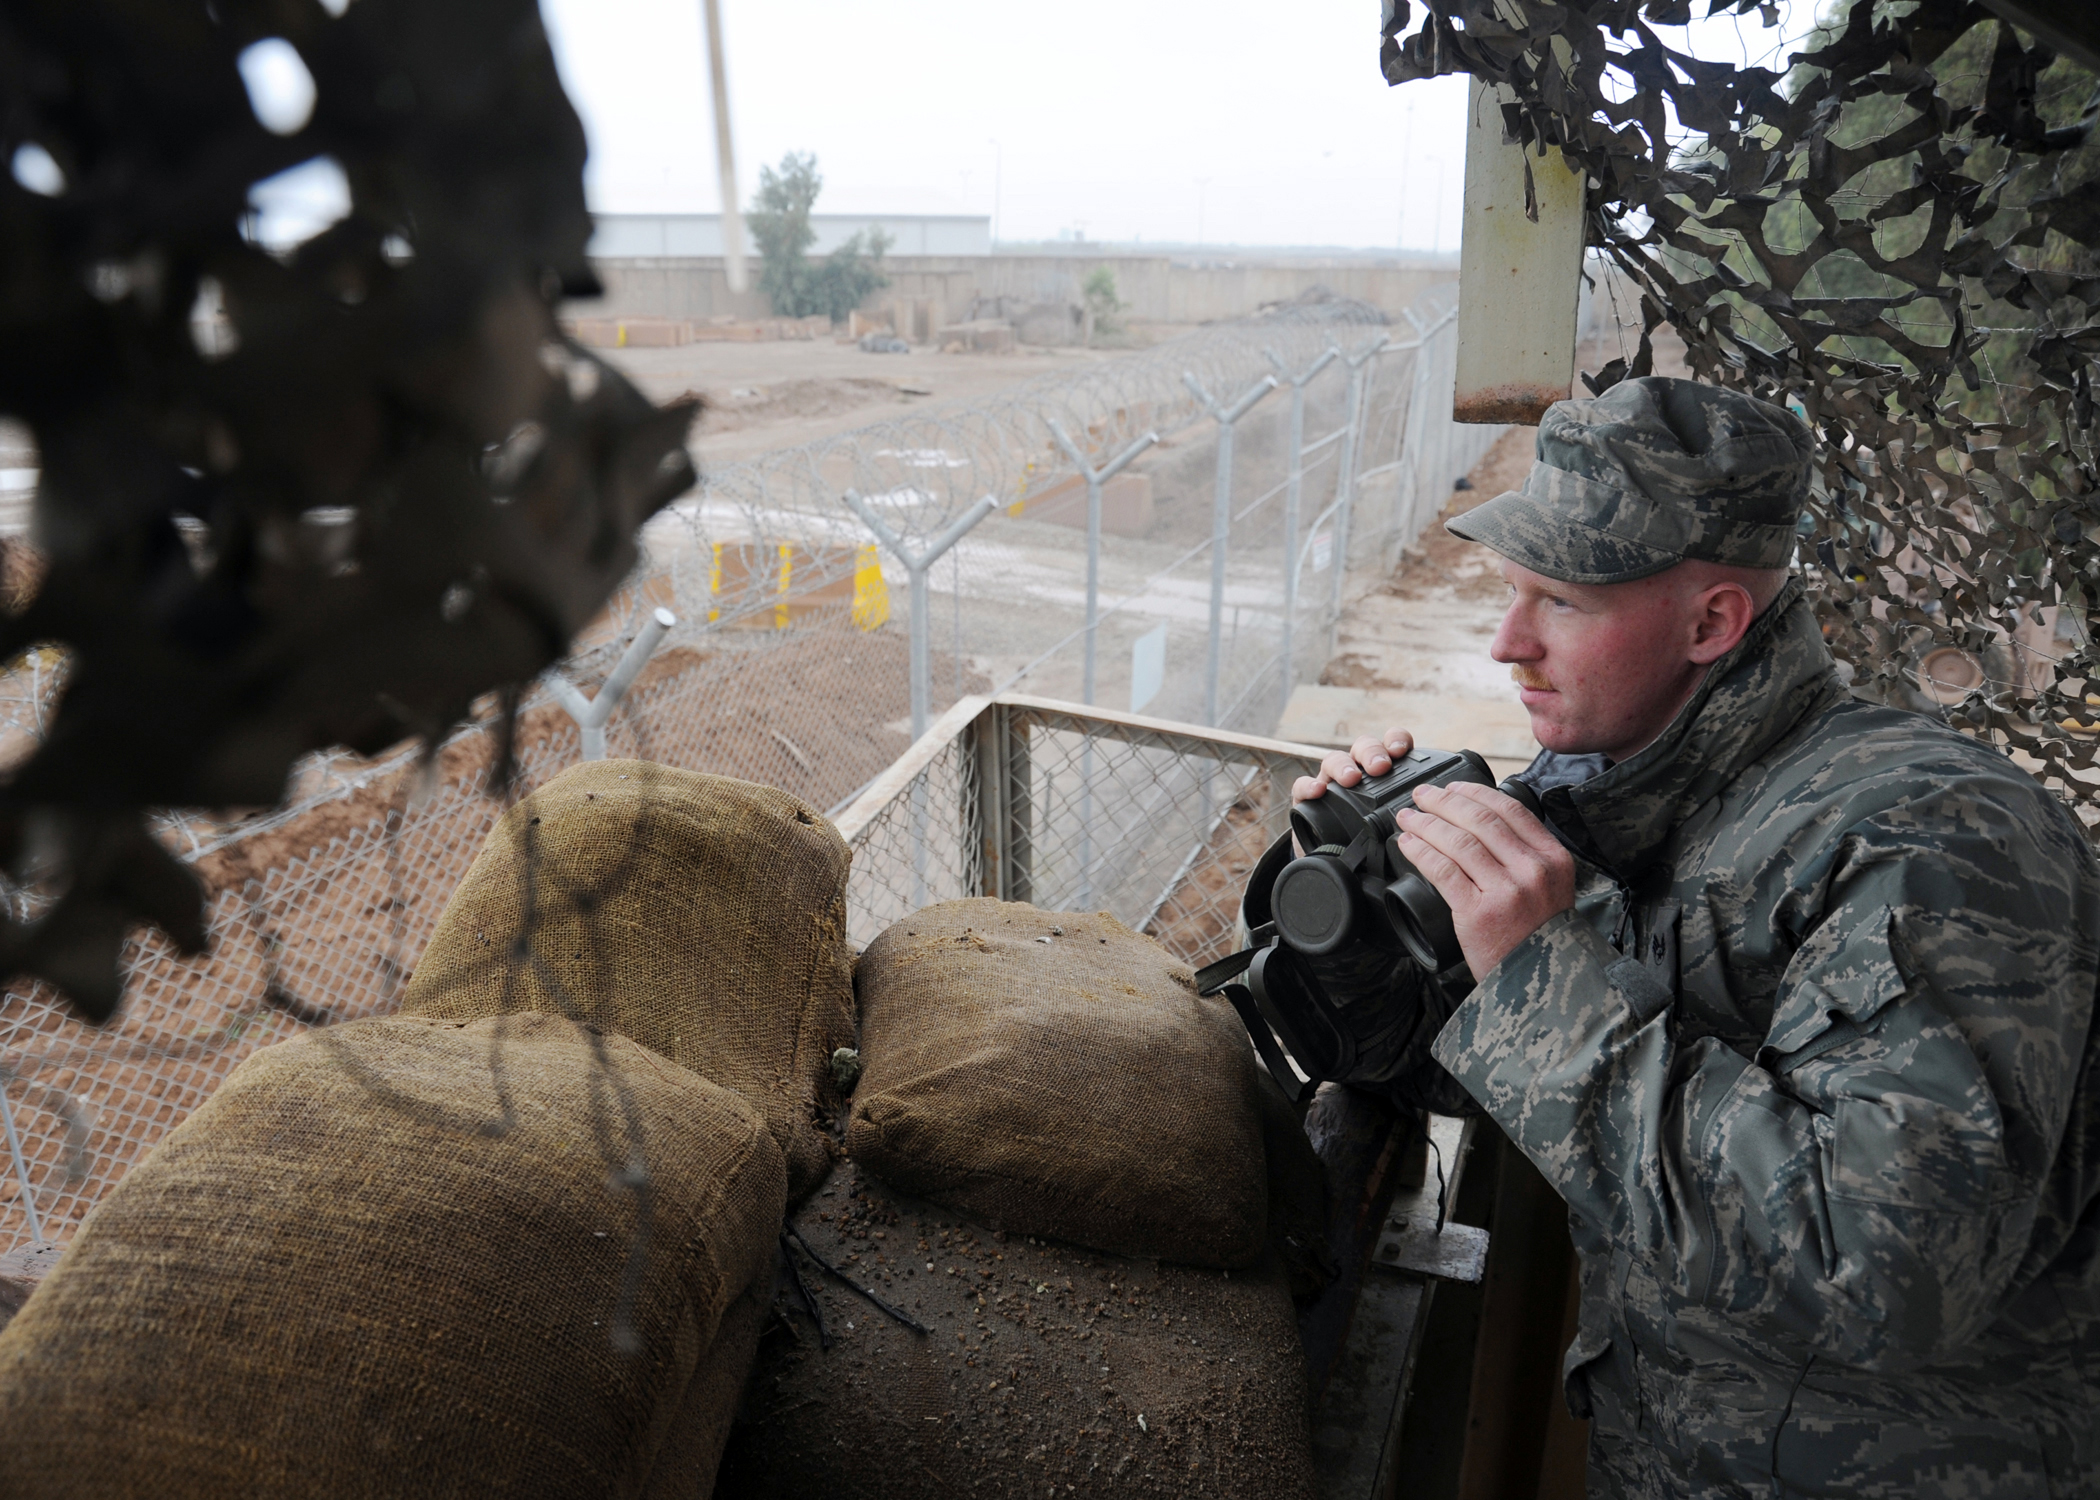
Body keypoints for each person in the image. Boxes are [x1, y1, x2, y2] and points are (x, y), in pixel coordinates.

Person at [1293, 376, 2100, 1495]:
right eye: (1510, 593)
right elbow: (1464, 1076)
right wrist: (1359, 924)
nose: (1505, 644)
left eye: (1561, 605)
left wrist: (1540, 976)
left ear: (1712, 620)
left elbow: (1886, 1269)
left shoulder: (1937, 840)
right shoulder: (1625, 800)